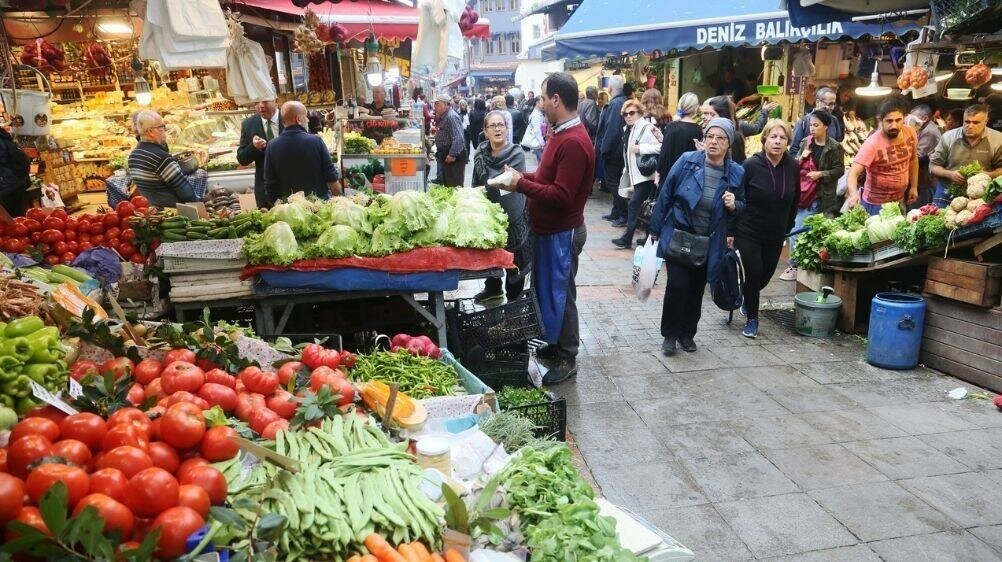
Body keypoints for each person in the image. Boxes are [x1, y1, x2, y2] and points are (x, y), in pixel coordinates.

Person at [495, 72, 594, 385]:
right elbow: (547, 178)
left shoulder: (574, 141)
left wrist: (521, 185)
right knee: (550, 292)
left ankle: (568, 355)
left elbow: (562, 195)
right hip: (550, 231)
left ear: (556, 100)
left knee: (561, 294)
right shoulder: (560, 134)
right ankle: (555, 345)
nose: (540, 103)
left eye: (542, 97)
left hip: (562, 232)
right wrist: (521, 177)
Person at [650, 117, 744, 356]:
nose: (713, 142)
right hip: (679, 233)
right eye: (709, 136)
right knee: (677, 286)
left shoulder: (736, 172)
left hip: (709, 242)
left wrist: (735, 204)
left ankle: (687, 334)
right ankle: (670, 335)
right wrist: (655, 230)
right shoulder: (687, 161)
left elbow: (743, 205)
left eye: (720, 138)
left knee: (696, 289)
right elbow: (666, 194)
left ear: (728, 144)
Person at [732, 119, 799, 338]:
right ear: (764, 139)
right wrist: (730, 231)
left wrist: (788, 225)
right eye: (773, 137)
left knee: (766, 275)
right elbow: (737, 197)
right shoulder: (750, 165)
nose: (777, 141)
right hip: (748, 230)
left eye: (782, 138)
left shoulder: (792, 166)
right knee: (754, 271)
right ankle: (752, 319)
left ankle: (747, 295)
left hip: (776, 232)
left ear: (788, 142)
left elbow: (795, 198)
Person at [472, 110, 530, 304]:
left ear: (506, 129)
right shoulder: (480, 152)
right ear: (485, 131)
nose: (497, 129)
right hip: (489, 212)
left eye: (501, 125)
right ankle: (493, 289)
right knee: (491, 252)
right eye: (493, 126)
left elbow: (509, 182)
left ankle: (513, 299)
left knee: (514, 259)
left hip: (512, 213)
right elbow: (476, 181)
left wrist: (489, 183)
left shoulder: (516, 152)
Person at [782, 109, 844, 281]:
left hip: (822, 196)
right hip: (804, 194)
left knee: (815, 232)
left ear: (826, 126)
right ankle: (795, 266)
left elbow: (839, 170)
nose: (812, 128)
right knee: (797, 230)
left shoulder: (834, 147)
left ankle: (808, 266)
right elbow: (795, 166)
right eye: (811, 125)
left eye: (816, 125)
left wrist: (821, 174)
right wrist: (801, 158)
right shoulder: (806, 142)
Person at [846, 97, 918, 214]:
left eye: (898, 120)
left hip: (900, 200)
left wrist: (914, 186)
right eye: (889, 121)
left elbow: (913, 159)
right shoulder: (872, 144)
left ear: (904, 118)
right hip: (875, 204)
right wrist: (853, 195)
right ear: (880, 120)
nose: (894, 125)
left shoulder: (910, 132)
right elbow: (853, 173)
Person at [262, 101, 340, 204]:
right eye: (306, 117)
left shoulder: (272, 146)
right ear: (298, 119)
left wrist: (275, 206)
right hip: (318, 206)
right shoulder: (316, 141)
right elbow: (331, 176)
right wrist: (340, 200)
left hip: (291, 208)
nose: (308, 120)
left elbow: (270, 184)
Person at [929, 104, 1002, 207]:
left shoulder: (998, 139)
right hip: (946, 193)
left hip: (981, 197)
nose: (970, 126)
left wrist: (985, 175)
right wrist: (950, 174)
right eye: (967, 122)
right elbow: (933, 166)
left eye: (976, 122)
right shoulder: (948, 137)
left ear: (986, 121)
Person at [612, 98, 661, 249]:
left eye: (632, 113)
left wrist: (641, 148)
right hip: (637, 175)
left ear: (640, 113)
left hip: (646, 175)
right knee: (643, 206)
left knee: (634, 205)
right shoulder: (629, 129)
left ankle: (627, 238)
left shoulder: (647, 127)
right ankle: (646, 237)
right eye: (625, 114)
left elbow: (661, 146)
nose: (628, 116)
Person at [128, 110, 198, 209]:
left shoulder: (133, 155)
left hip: (152, 211)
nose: (165, 131)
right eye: (162, 127)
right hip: (172, 212)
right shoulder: (162, 159)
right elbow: (186, 193)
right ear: (150, 132)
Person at [237, 99, 282, 208]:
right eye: (256, 102)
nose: (261, 106)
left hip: (293, 190)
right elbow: (242, 159)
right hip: (265, 193)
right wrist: (253, 147)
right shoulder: (248, 124)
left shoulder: (289, 116)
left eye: (265, 101)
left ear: (276, 100)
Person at [699, 96, 772, 164]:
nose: (706, 118)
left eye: (712, 114)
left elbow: (733, 164)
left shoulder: (735, 136)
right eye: (706, 113)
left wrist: (707, 153)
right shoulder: (708, 130)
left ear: (722, 115)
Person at [596, 75, 629, 225]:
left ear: (610, 88)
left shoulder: (616, 104)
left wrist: (604, 149)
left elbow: (612, 129)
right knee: (616, 181)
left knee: (613, 182)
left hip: (613, 151)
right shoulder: (622, 101)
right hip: (619, 149)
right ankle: (616, 212)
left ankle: (622, 214)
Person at [656, 93, 703, 183]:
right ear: (695, 108)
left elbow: (664, 152)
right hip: (688, 176)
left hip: (670, 174)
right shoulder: (698, 129)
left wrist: (658, 171)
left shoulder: (672, 126)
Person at [906, 104, 942, 208]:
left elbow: (918, 156)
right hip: (920, 179)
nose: (910, 120)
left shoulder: (929, 132)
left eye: (914, 117)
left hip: (925, 179)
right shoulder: (922, 128)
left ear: (925, 118)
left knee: (919, 209)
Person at [790, 87, 843, 153]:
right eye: (827, 104)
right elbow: (794, 149)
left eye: (832, 104)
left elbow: (837, 146)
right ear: (817, 102)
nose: (829, 107)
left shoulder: (834, 121)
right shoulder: (804, 121)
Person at [432, 93, 468, 187]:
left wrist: (452, 154)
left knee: (454, 185)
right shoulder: (445, 116)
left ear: (445, 104)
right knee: (448, 183)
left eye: (437, 104)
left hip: (453, 156)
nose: (435, 107)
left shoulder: (451, 116)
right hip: (446, 153)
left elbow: (458, 137)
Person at [0, 122, 30, 217]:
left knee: (11, 218)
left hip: (7, 185)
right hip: (16, 182)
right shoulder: (4, 137)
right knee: (17, 216)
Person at [521, 96, 548, 162]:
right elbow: (537, 130)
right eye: (542, 101)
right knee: (542, 161)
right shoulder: (536, 115)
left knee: (540, 162)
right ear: (537, 103)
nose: (544, 103)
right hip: (538, 142)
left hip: (538, 142)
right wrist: (542, 143)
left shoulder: (539, 113)